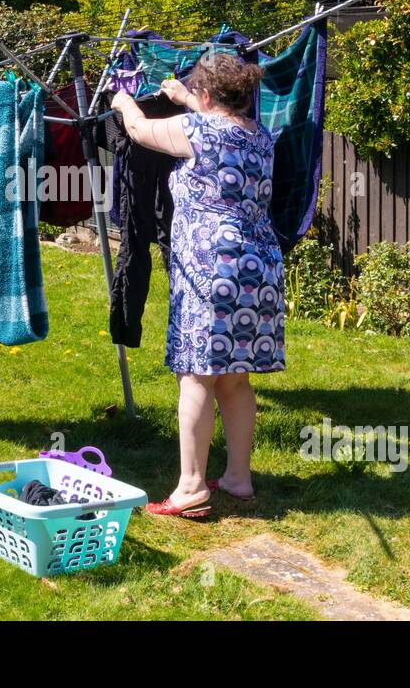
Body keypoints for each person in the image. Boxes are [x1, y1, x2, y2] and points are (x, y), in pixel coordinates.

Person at [109, 52, 286, 518]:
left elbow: (141, 132)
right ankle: (237, 478)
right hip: (260, 267)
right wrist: (182, 96)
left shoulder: (198, 131)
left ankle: (190, 486)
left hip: (213, 268)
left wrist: (125, 102)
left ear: (207, 95)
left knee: (197, 376)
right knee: (235, 377)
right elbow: (214, 119)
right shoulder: (259, 136)